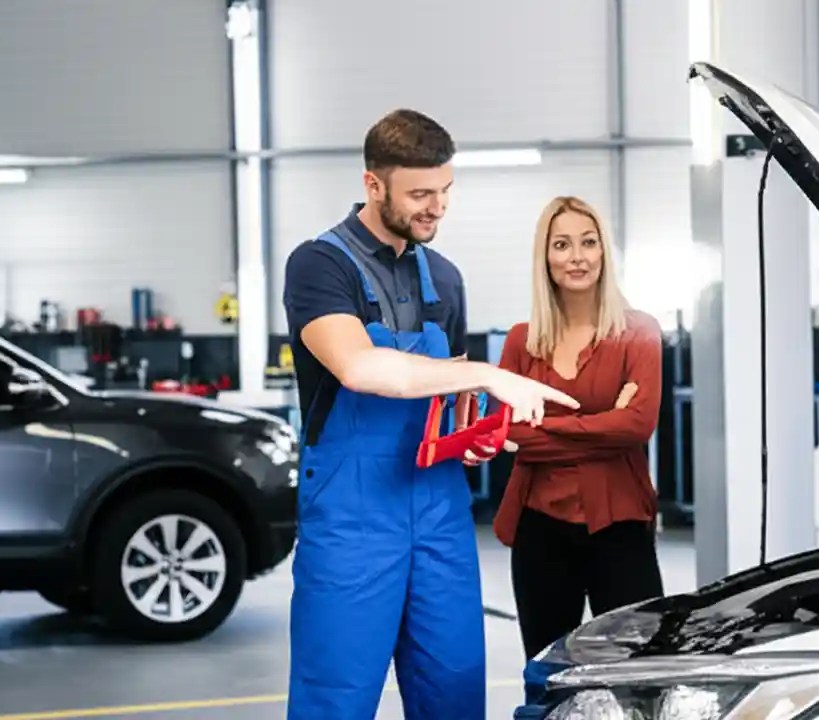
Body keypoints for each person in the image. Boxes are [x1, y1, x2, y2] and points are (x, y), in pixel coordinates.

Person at [280, 109, 578, 720]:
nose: (436, 208)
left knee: (454, 690)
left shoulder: (444, 277)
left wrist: (472, 437)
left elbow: (450, 396)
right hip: (353, 516)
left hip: (439, 512)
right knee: (335, 695)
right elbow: (360, 368)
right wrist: (490, 374)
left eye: (445, 191)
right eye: (420, 194)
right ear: (373, 184)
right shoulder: (318, 266)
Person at [481, 195, 666, 660]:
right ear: (545, 256)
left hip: (620, 524)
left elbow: (638, 426)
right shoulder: (522, 341)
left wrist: (545, 427)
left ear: (604, 251)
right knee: (548, 669)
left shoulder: (639, 331)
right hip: (540, 528)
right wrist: (604, 425)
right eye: (562, 244)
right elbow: (507, 432)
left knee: (638, 671)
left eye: (589, 242)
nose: (577, 256)